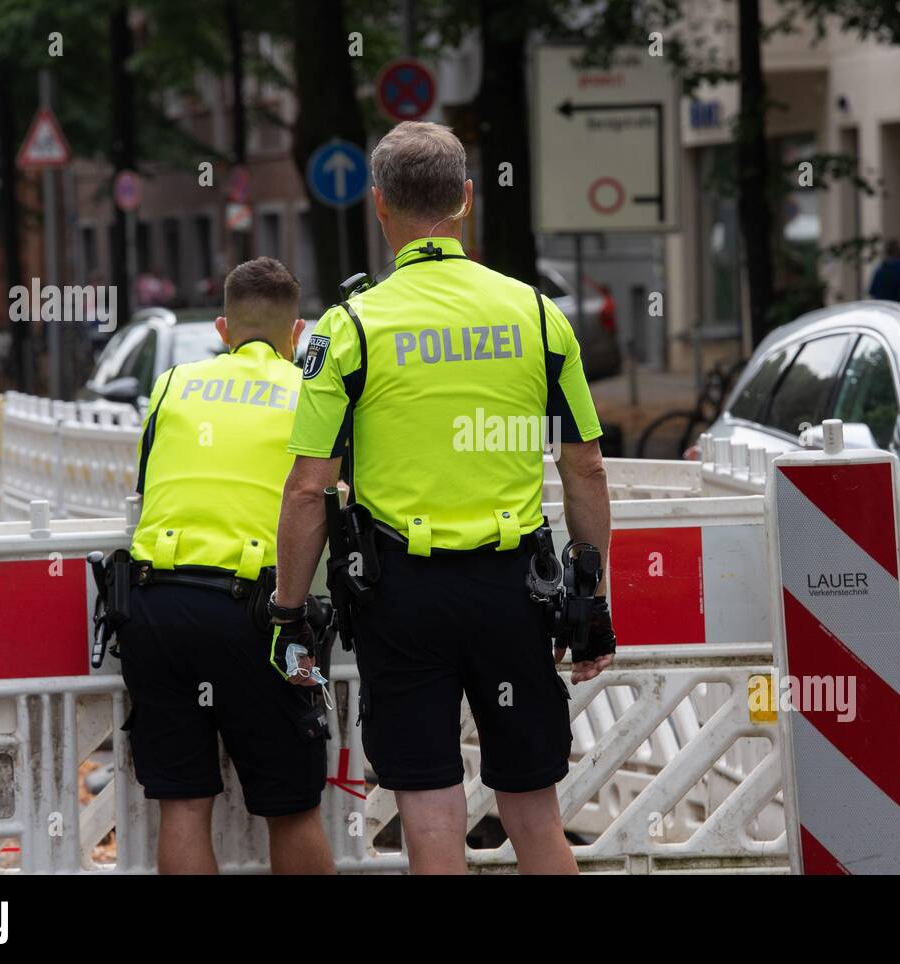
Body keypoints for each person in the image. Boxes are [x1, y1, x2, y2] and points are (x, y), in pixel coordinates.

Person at [271, 121, 616, 875]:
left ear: (378, 205)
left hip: (404, 598)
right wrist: (591, 595)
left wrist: (289, 614)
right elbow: (583, 466)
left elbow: (307, 489)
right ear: (464, 201)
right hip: (514, 591)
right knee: (534, 810)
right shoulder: (536, 314)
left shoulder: (352, 326)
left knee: (430, 812)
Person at [117, 256, 334, 875]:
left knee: (182, 806)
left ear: (222, 329)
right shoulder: (309, 393)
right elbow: (328, 497)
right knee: (292, 807)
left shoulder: (173, 384)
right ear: (298, 335)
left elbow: (147, 481)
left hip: (153, 602)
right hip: (252, 613)